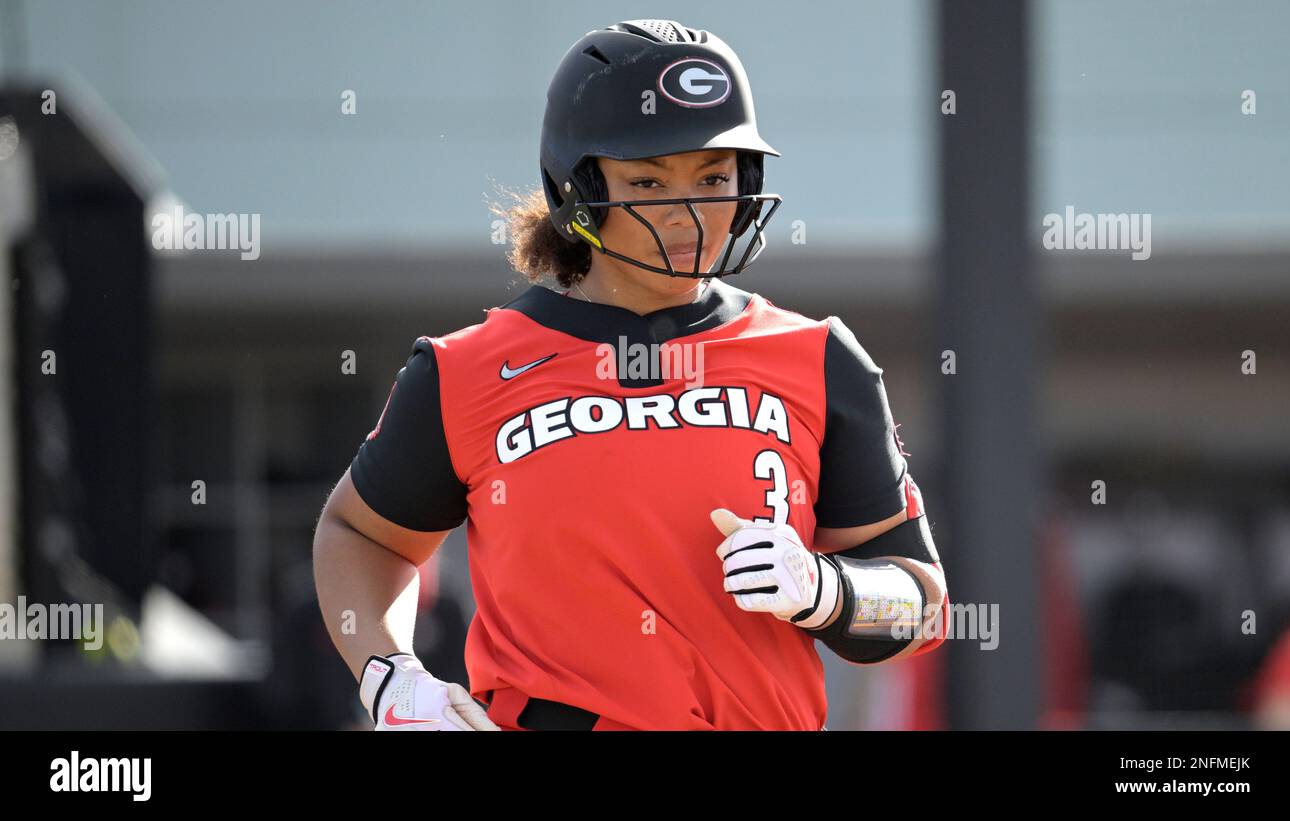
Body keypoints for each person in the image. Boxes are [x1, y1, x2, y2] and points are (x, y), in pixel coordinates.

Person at [313, 18, 949, 732]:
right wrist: (389, 673)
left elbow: (922, 605)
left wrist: (829, 590)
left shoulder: (820, 358)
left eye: (713, 177)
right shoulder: (465, 371)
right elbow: (361, 532)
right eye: (648, 181)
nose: (689, 216)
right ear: (577, 187)